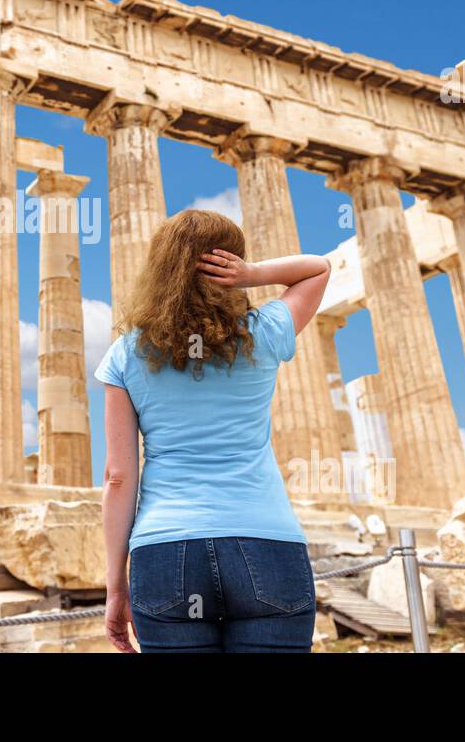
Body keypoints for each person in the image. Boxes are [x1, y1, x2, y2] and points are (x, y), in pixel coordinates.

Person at [95, 208, 332, 653]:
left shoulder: (126, 355)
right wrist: (252, 275)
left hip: (166, 552)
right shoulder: (264, 334)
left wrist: (115, 587)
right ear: (231, 265)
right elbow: (317, 268)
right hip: (267, 547)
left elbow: (118, 477)